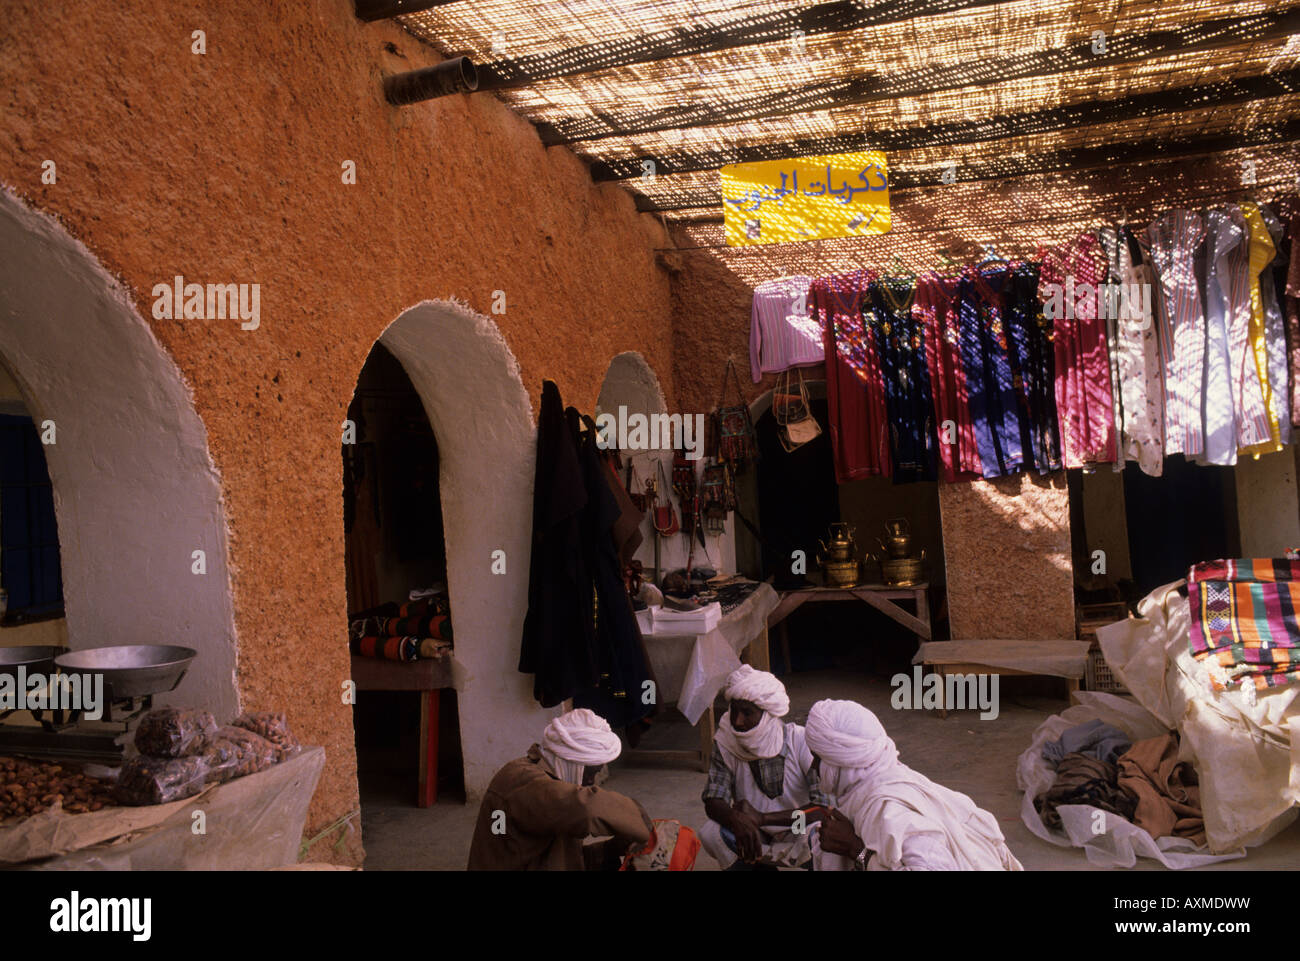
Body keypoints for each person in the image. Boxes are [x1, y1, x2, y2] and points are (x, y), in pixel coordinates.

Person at [804, 699, 1023, 871]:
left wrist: (856, 849)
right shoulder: (880, 781)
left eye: (818, 758)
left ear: (842, 760)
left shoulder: (886, 809)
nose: (813, 766)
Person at [467, 708, 653, 870]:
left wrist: (611, 849)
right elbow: (587, 808)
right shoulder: (522, 780)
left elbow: (563, 858)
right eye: (589, 773)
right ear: (571, 761)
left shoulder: (554, 781)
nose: (591, 782)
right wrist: (639, 818)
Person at [700, 665, 835, 869]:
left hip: (796, 828)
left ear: (767, 715)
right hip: (754, 832)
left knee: (823, 835)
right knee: (711, 832)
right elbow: (713, 800)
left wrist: (762, 818)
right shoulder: (726, 740)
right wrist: (735, 818)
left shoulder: (799, 740)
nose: (737, 721)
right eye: (734, 711)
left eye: (747, 713)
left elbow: (822, 808)